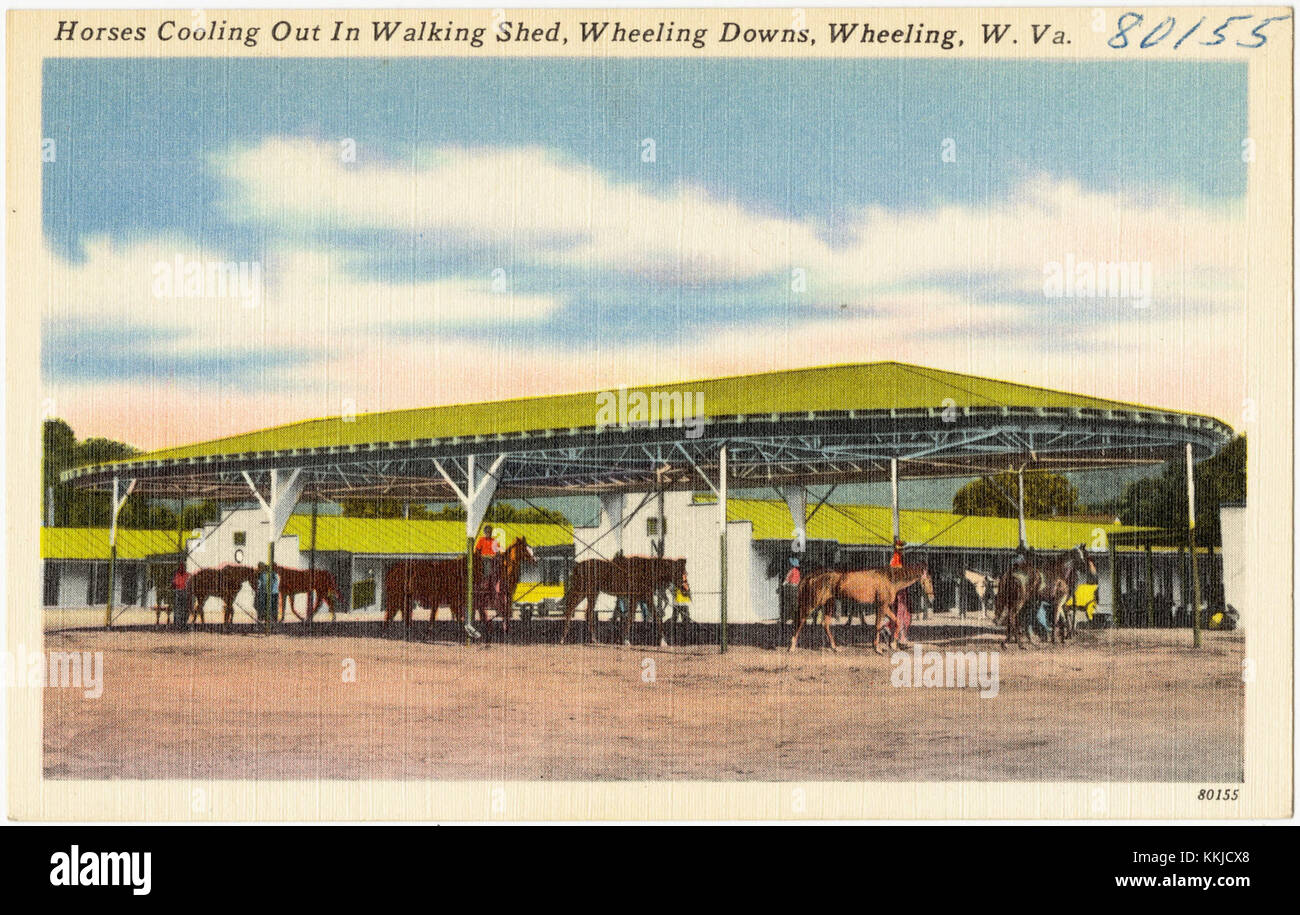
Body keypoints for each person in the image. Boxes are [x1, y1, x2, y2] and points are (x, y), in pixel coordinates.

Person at [889, 539, 913, 648]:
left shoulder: (901, 560)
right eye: (900, 549)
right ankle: (896, 639)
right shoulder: (894, 560)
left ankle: (901, 638)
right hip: (896, 592)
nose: (901, 551)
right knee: (899, 616)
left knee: (905, 615)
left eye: (902, 549)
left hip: (902, 591)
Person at [171, 564, 192, 628]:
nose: (181, 569)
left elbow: (191, 583)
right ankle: (177, 623)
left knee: (185, 608)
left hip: (186, 592)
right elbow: (173, 583)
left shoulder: (188, 575)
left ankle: (184, 622)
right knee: (178, 608)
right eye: (180, 567)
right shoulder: (176, 575)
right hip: (178, 591)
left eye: (183, 567)